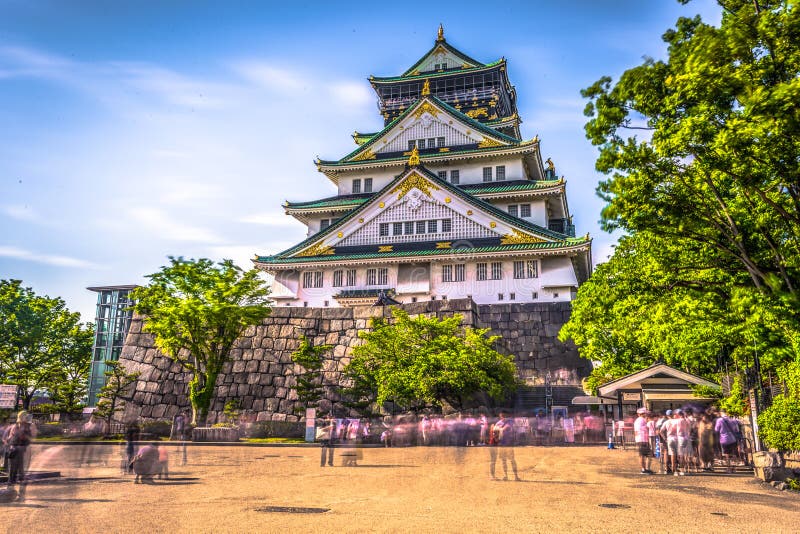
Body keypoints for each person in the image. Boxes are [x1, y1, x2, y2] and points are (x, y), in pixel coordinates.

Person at [6, 410, 36, 501]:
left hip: (16, 451)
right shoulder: (28, 426)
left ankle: (10, 494)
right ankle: (21, 495)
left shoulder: (17, 426)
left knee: (13, 473)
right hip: (24, 451)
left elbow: (10, 439)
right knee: (22, 474)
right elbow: (31, 438)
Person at [492, 411, 521, 481]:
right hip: (502, 444)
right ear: (500, 416)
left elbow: (508, 427)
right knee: (504, 460)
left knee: (512, 460)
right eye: (502, 415)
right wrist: (496, 437)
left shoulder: (510, 421)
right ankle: (506, 476)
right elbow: (494, 433)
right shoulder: (498, 423)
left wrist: (499, 429)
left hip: (509, 443)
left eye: (504, 415)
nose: (503, 416)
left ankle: (516, 476)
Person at [633, 407, 653, 474]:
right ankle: (644, 469)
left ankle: (644, 469)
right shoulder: (643, 420)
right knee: (645, 455)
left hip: (639, 439)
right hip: (643, 439)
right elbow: (647, 428)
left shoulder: (637, 421)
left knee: (642, 455)